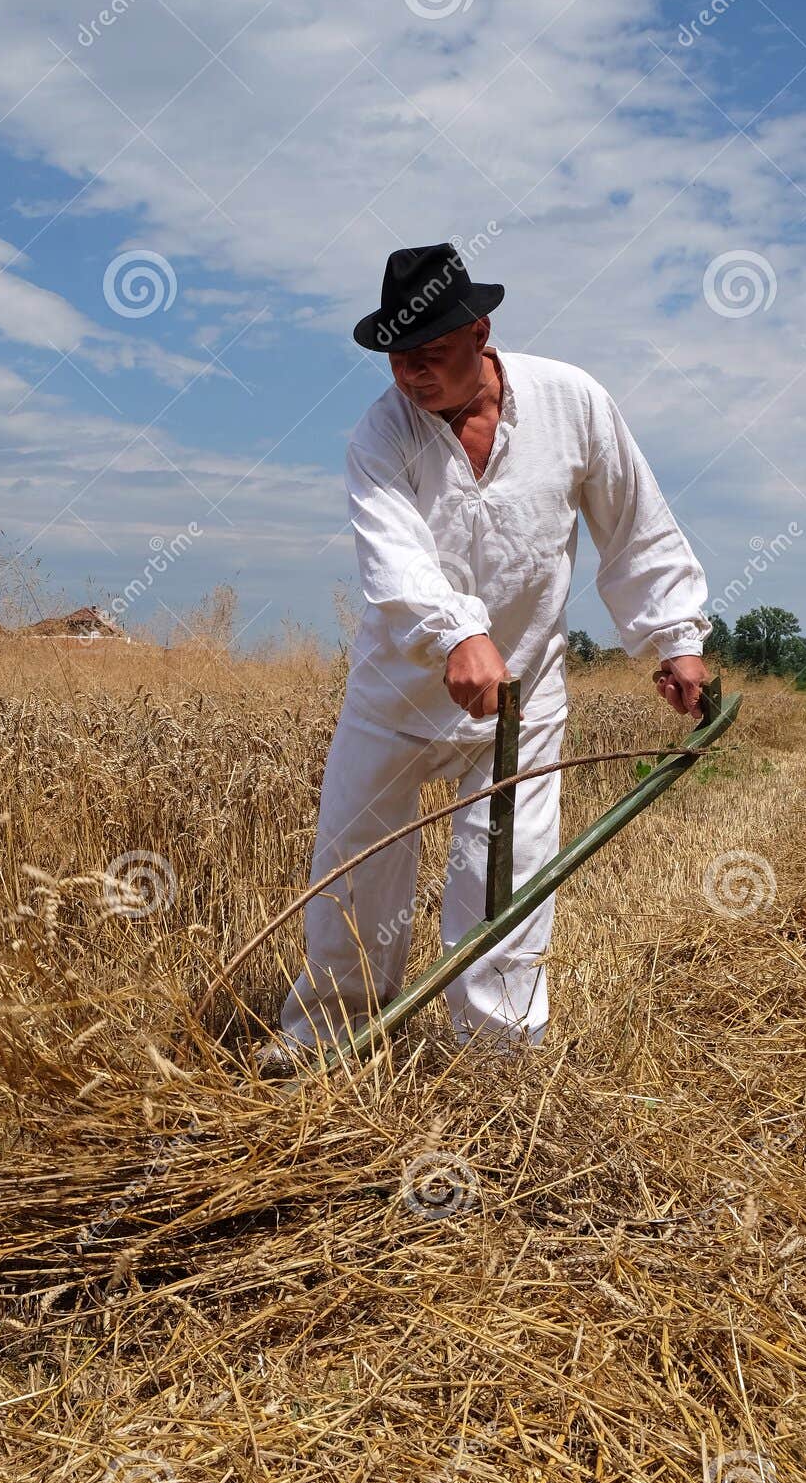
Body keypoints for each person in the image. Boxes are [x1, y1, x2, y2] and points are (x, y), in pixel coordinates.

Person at [258, 242, 711, 1077]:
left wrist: (672, 635)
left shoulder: (571, 402)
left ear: (480, 333)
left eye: (430, 355)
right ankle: (327, 1041)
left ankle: (492, 1065)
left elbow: (633, 522)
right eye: (397, 359)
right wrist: (458, 633)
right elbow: (394, 559)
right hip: (399, 689)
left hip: (526, 692)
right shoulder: (379, 434)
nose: (411, 377)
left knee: (503, 874)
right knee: (354, 870)